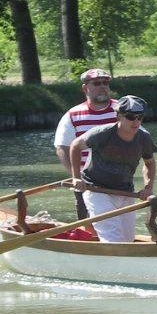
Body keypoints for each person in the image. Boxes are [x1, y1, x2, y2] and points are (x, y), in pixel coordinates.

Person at [69, 95, 157, 243]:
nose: (136, 122)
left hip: (125, 191)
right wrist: (76, 177)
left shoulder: (144, 138)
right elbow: (75, 146)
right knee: (113, 238)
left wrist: (148, 187)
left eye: (140, 117)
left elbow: (149, 163)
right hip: (97, 190)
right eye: (130, 117)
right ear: (119, 116)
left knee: (128, 239)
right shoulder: (101, 134)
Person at [54, 68, 118, 219]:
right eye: (96, 83)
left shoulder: (121, 110)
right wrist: (76, 177)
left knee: (118, 221)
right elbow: (62, 147)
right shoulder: (73, 115)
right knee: (88, 222)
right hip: (86, 181)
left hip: (119, 179)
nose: (102, 87)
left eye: (105, 83)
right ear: (85, 88)